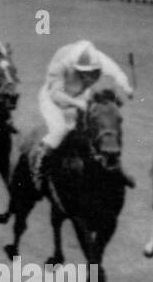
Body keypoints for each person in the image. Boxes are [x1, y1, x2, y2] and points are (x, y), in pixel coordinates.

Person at [29, 39, 135, 189]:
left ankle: (116, 167)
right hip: (53, 99)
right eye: (84, 72)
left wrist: (126, 87)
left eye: (92, 72)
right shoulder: (61, 64)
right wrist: (78, 104)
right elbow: (55, 95)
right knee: (59, 131)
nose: (88, 77)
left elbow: (117, 73)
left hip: (80, 96)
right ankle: (39, 169)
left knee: (99, 128)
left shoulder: (99, 59)